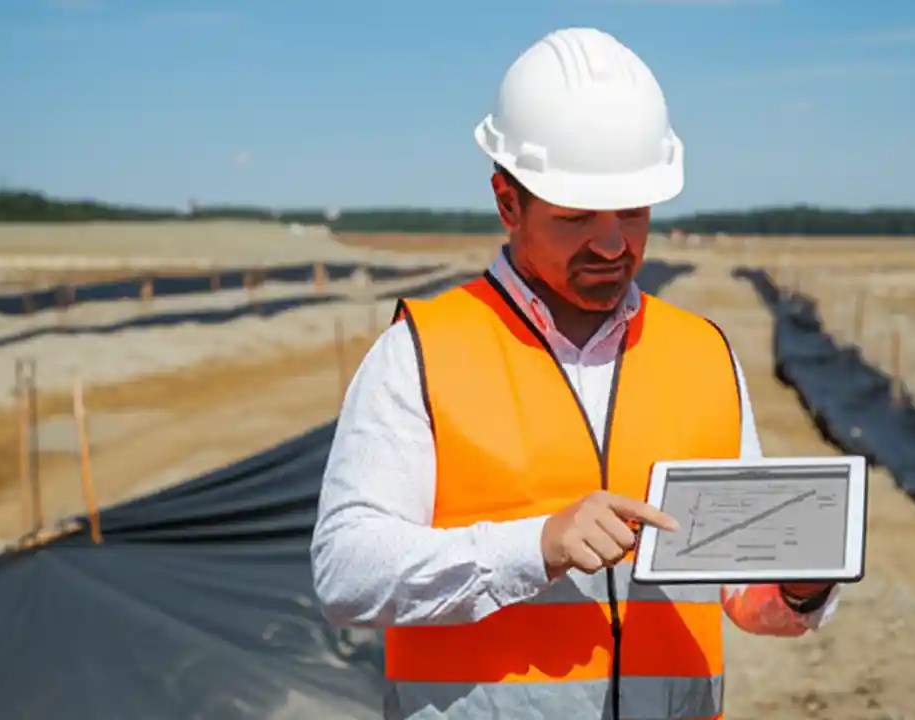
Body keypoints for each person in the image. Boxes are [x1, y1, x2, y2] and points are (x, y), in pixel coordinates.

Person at [311, 26, 842, 720]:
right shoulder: (422, 352)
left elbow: (739, 597)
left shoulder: (704, 354)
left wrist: (798, 589)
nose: (613, 243)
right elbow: (346, 573)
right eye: (576, 217)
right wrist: (533, 547)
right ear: (509, 202)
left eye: (632, 211)